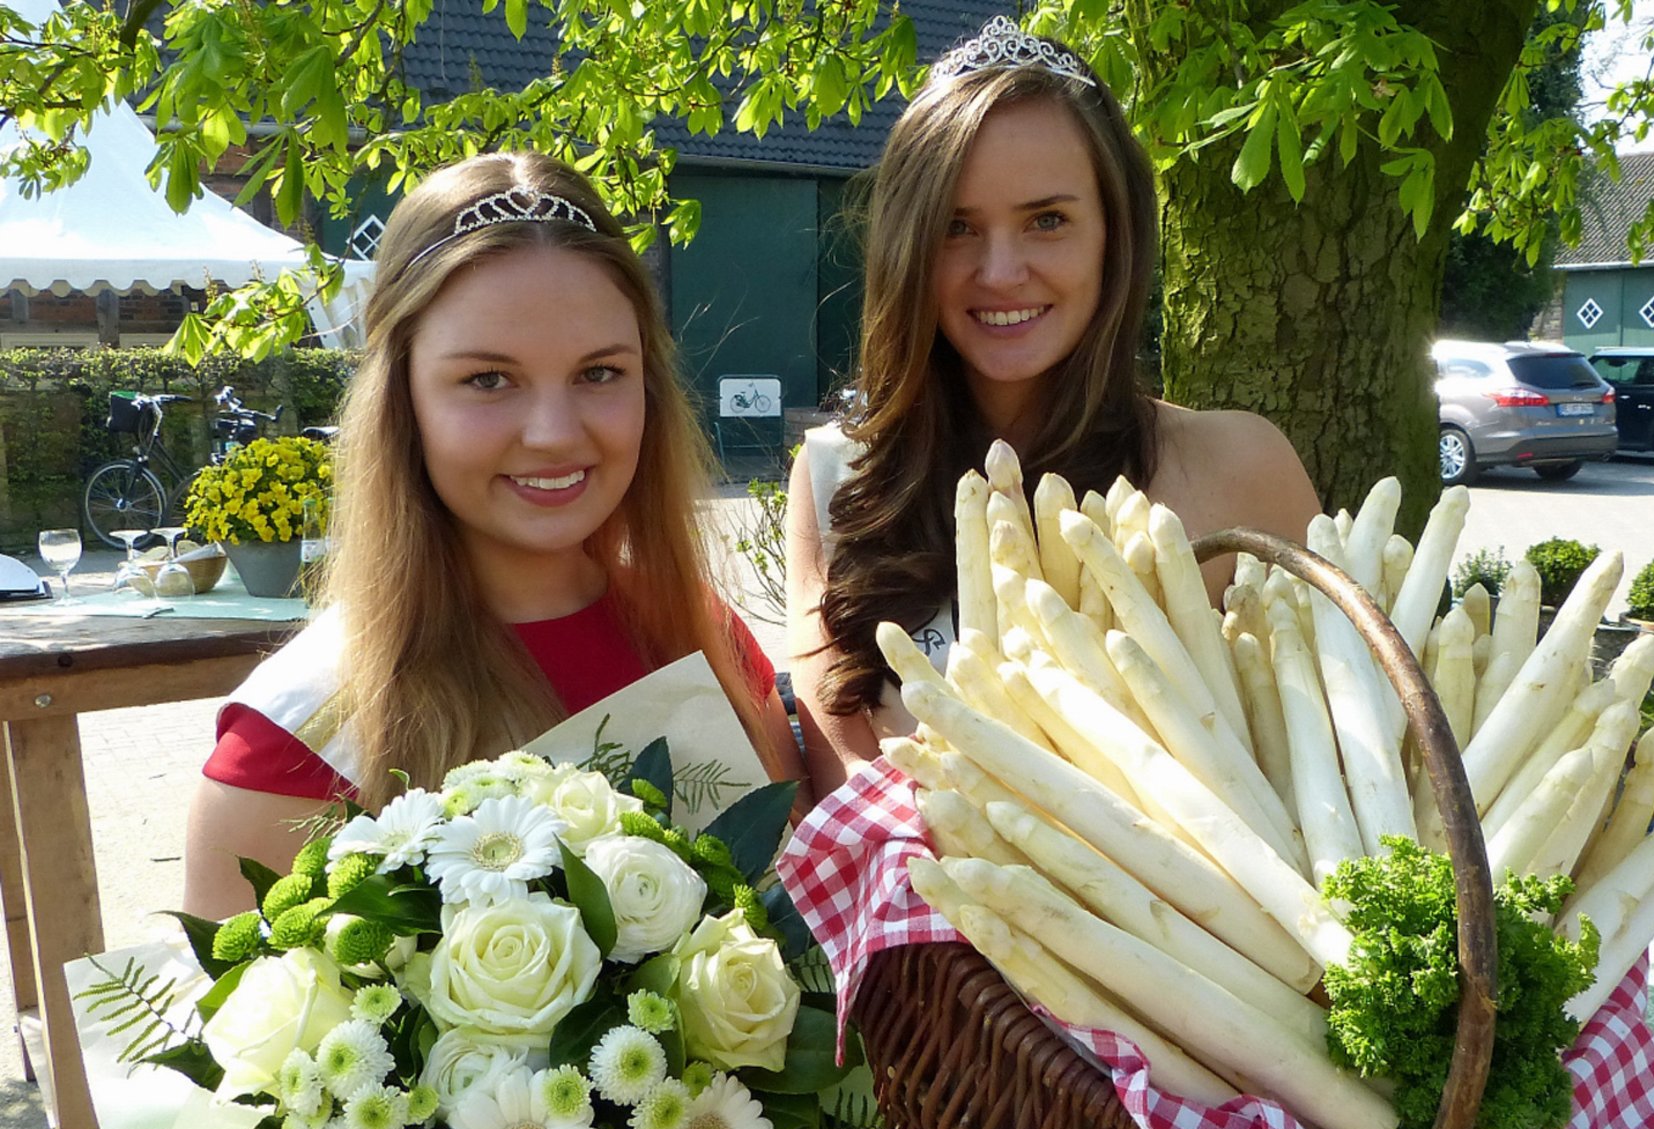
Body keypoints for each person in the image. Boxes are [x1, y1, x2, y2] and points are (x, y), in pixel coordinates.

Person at [184, 150, 800, 918]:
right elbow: (240, 1028)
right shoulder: (299, 739)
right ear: (402, 399)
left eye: (599, 372)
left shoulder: (702, 634)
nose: (552, 432)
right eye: (487, 379)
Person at [785, 17, 1322, 800]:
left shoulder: (1243, 467)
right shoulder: (841, 478)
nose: (1001, 271)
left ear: (1116, 235)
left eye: (1048, 220)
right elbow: (841, 789)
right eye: (957, 227)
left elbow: (1346, 767)